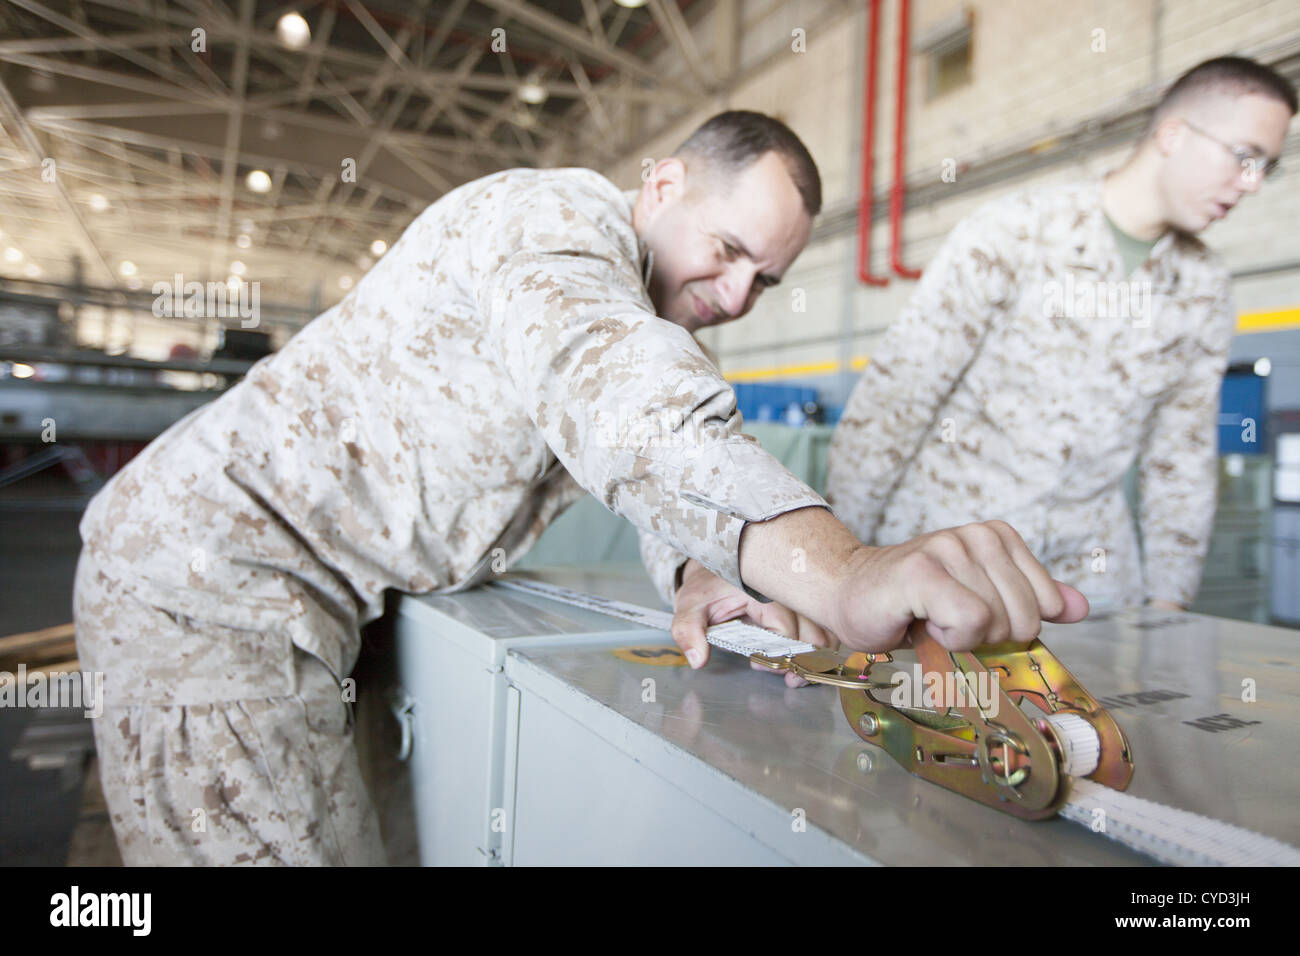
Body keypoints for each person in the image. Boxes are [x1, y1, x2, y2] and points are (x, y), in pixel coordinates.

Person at [74, 111, 1085, 866]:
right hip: (213, 586)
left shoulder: (640, 315)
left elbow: (633, 451)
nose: (734, 296)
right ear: (659, 187)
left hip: (321, 610)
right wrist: (846, 569)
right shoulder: (547, 222)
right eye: (728, 251)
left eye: (764, 282)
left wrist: (699, 570)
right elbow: (621, 402)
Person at [824, 57, 1296, 614]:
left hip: (1089, 579)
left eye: (1267, 167)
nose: (1252, 184)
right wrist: (840, 573)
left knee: (1100, 703)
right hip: (947, 558)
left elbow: (1181, 455)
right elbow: (895, 402)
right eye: (1244, 157)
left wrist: (1169, 603)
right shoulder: (1015, 232)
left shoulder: (1204, 287)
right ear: (1173, 134)